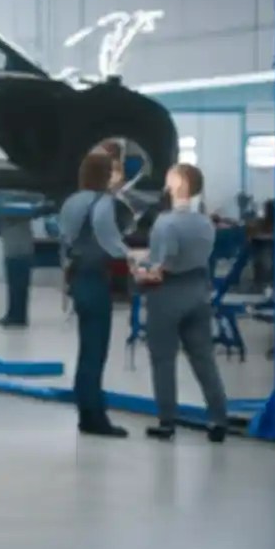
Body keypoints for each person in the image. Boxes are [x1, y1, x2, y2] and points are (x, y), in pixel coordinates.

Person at [132, 163, 228, 442]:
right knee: (204, 359)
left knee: (163, 359)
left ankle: (166, 422)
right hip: (198, 293)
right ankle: (218, 418)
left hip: (167, 296)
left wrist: (138, 269)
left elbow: (163, 265)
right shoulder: (205, 223)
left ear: (174, 187)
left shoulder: (166, 223)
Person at [59, 151, 130, 438]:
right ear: (105, 174)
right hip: (95, 278)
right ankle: (95, 417)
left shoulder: (71, 201)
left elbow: (65, 238)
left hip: (78, 279)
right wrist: (136, 258)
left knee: (86, 346)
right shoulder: (102, 203)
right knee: (96, 349)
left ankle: (85, 411)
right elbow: (111, 241)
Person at [0, 215, 34, 327]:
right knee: (18, 287)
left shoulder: (7, 211)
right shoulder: (21, 208)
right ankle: (16, 315)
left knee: (16, 287)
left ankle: (17, 317)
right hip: (21, 250)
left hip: (16, 251)